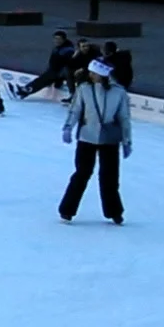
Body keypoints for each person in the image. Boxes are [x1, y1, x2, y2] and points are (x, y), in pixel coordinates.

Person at [58, 58, 132, 225]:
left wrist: (127, 141)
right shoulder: (84, 89)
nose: (90, 75)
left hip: (110, 139)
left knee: (110, 177)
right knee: (82, 173)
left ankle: (114, 211)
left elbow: (124, 118)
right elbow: (75, 109)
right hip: (87, 136)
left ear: (102, 74)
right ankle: (67, 210)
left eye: (93, 72)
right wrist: (68, 127)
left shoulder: (118, 92)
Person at [9, 31, 77, 101]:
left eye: (59, 39)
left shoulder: (68, 50)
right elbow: (53, 61)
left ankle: (25, 90)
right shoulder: (58, 48)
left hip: (61, 72)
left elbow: (68, 64)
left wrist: (58, 75)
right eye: (55, 39)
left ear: (64, 39)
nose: (57, 41)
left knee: (42, 80)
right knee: (43, 79)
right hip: (56, 70)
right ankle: (25, 91)